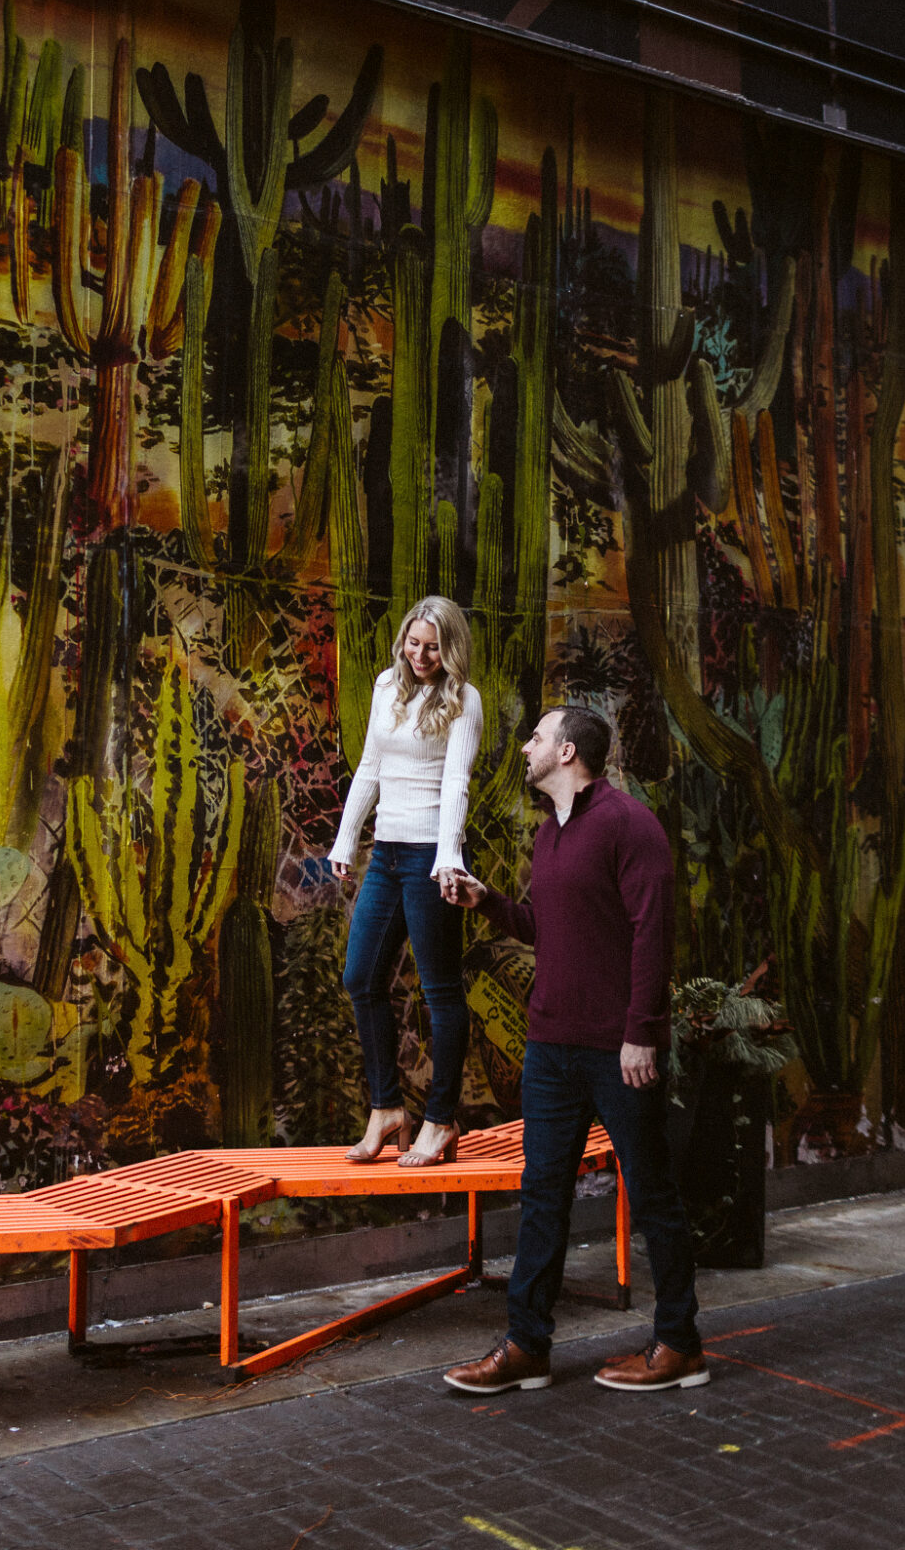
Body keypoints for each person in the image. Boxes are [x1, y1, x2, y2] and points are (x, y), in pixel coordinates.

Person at [440, 704, 707, 1393]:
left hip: (618, 1050)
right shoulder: (550, 834)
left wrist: (640, 1032)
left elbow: (653, 931)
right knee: (542, 1196)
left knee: (652, 1194)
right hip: (550, 1047)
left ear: (566, 752)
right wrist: (487, 902)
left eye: (535, 737)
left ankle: (679, 1345)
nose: (524, 747)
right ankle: (526, 1347)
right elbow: (545, 928)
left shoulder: (628, 825)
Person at [328, 597, 484, 1169]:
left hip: (431, 855)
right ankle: (387, 1108)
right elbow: (370, 767)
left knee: (439, 990)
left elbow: (457, 781)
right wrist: (346, 840)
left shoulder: (464, 699)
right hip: (388, 853)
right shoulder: (385, 686)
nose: (421, 655)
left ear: (451, 649)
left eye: (434, 647)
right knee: (361, 977)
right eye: (414, 643)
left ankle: (440, 1121)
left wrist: (449, 856)